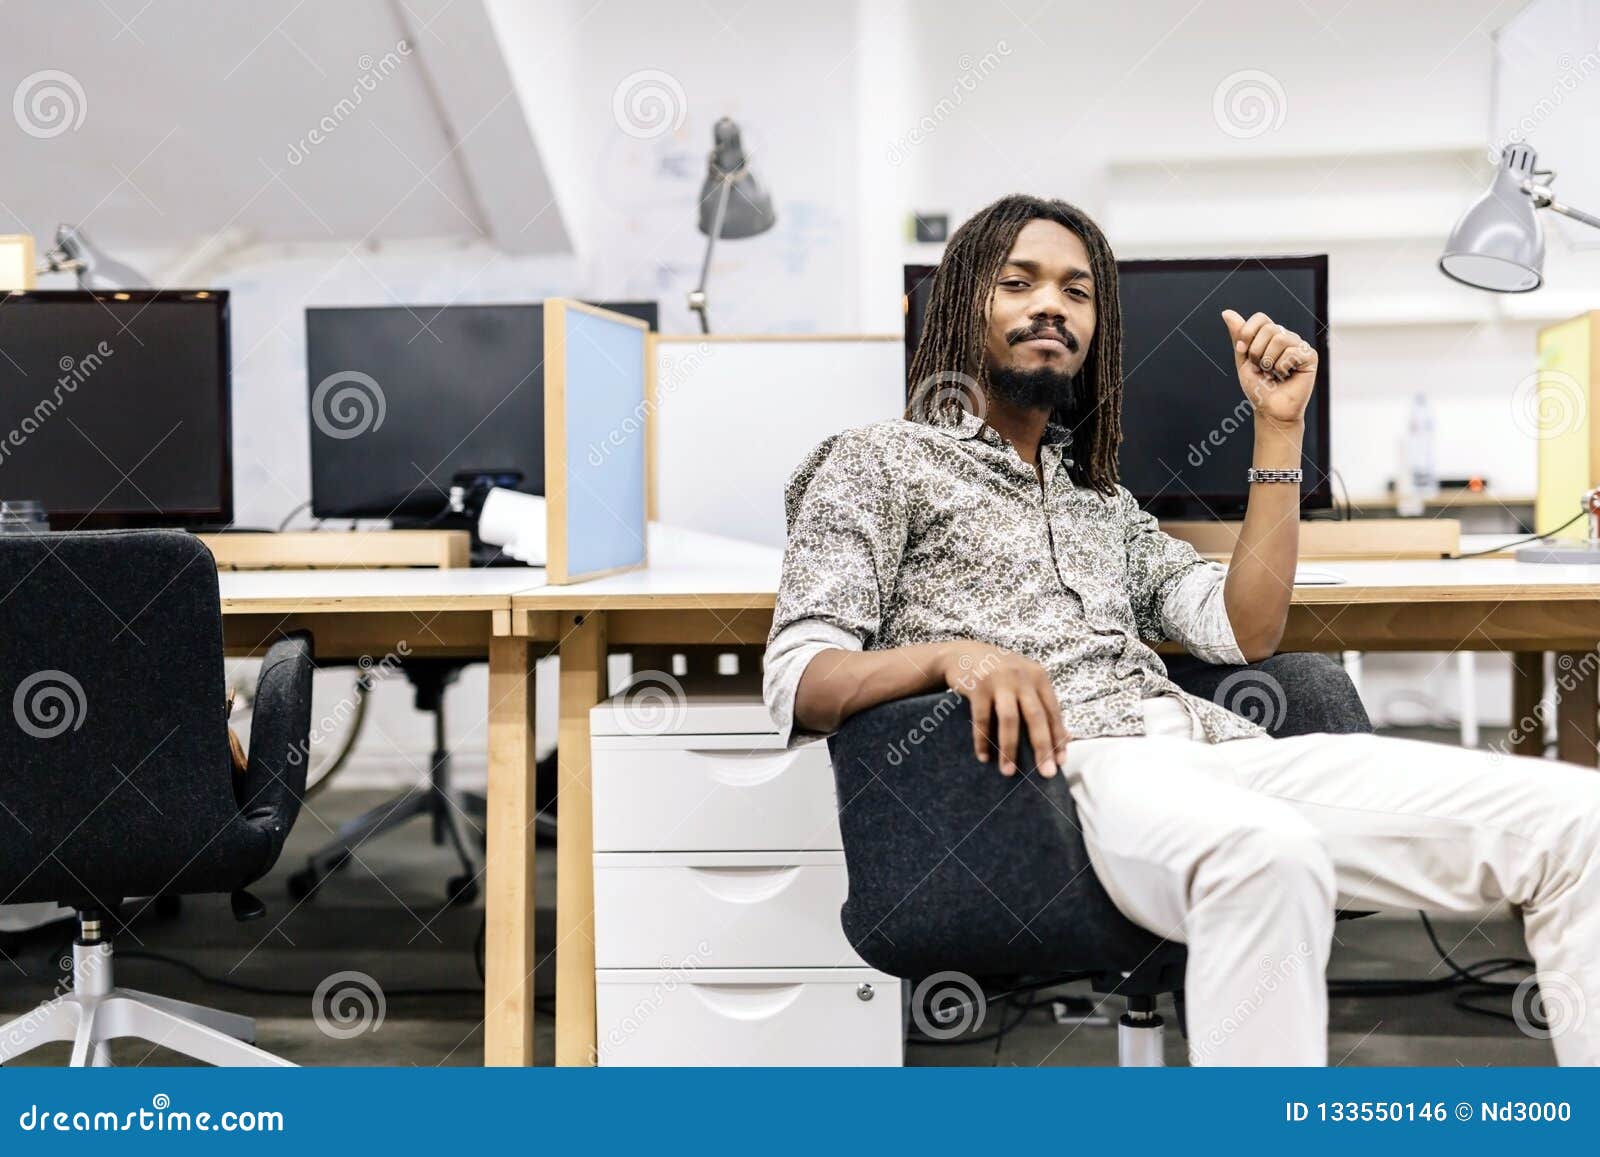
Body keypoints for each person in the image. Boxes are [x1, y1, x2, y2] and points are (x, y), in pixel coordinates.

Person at [762, 193, 1600, 1066]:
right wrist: (953, 656)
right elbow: (797, 678)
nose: (1051, 303)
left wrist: (1278, 427)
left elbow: (1243, 630)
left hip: (1216, 749)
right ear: (967, 301)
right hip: (1074, 767)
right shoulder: (876, 461)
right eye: (1018, 282)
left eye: (1077, 291)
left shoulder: (1100, 502)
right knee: (1266, 857)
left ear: (1097, 329)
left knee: (1580, 816)